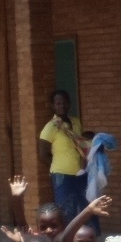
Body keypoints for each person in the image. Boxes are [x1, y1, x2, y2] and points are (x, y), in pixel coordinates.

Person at [39, 90, 91, 223]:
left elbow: (81, 145)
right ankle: (65, 241)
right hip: (62, 176)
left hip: (79, 174)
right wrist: (57, 167)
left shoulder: (76, 122)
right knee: (65, 211)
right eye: (58, 103)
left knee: (82, 208)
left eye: (64, 103)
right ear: (53, 105)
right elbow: (43, 154)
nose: (62, 106)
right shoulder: (51, 127)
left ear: (69, 104)